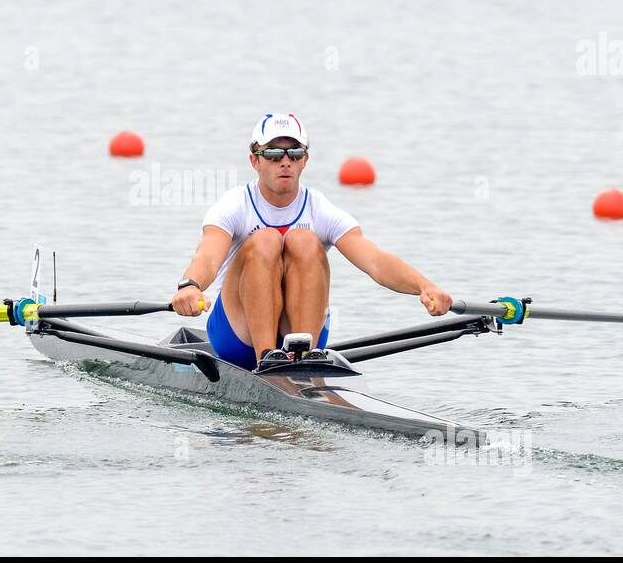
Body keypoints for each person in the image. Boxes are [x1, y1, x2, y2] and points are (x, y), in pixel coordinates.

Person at [170, 113, 453, 370]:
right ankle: (267, 356)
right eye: (273, 153)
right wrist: (190, 285)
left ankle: (301, 359)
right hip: (237, 336)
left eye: (294, 152)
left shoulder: (320, 208)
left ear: (305, 159)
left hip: (304, 333)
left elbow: (376, 262)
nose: (285, 161)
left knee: (304, 240)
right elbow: (207, 257)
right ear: (254, 160)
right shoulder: (235, 204)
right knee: (266, 239)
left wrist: (425, 286)